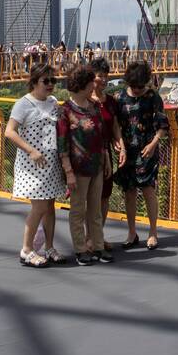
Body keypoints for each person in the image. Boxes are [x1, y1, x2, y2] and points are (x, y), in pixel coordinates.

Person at [6, 64, 65, 267]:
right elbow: (10, 131)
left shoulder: (53, 102)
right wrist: (31, 150)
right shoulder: (23, 104)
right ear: (34, 82)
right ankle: (27, 249)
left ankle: (48, 247)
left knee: (49, 206)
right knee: (39, 206)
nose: (50, 85)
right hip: (32, 166)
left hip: (51, 163)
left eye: (53, 80)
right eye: (45, 81)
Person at [59, 66, 114, 265]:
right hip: (78, 168)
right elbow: (62, 143)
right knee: (78, 210)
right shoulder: (66, 110)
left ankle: (98, 246)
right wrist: (68, 172)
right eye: (91, 81)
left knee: (95, 209)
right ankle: (81, 249)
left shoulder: (93, 106)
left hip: (97, 164)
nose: (95, 84)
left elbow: (102, 135)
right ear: (82, 85)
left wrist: (106, 158)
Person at [114, 60, 168, 251]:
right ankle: (131, 232)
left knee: (148, 189)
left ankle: (153, 232)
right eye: (133, 86)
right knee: (129, 191)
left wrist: (154, 143)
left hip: (147, 149)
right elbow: (116, 125)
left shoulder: (153, 97)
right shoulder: (120, 97)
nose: (137, 90)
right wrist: (119, 143)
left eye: (140, 86)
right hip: (126, 151)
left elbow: (162, 124)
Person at [89, 57, 126, 254]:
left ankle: (98, 236)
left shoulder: (110, 101)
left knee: (104, 197)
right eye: (99, 76)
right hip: (88, 154)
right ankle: (87, 239)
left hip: (106, 155)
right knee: (90, 198)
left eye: (105, 76)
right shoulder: (84, 101)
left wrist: (121, 145)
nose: (103, 80)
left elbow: (114, 127)